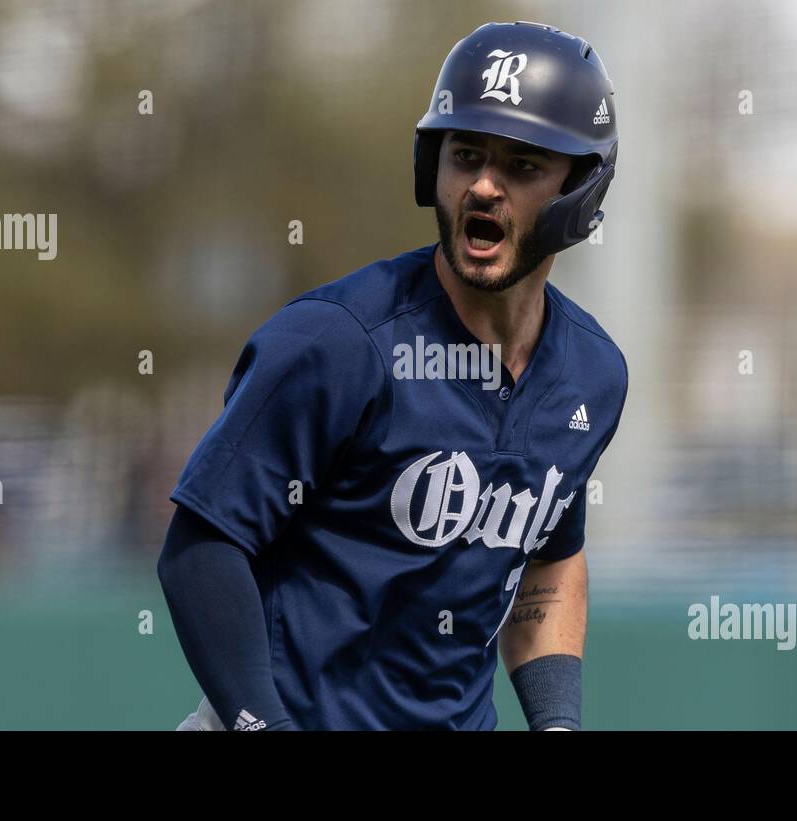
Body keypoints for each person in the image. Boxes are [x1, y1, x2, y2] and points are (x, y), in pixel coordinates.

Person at [159, 20, 627, 730]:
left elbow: (550, 564)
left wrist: (556, 722)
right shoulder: (338, 341)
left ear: (582, 191)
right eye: (465, 154)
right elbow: (202, 546)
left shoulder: (592, 374)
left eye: (524, 165)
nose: (484, 186)